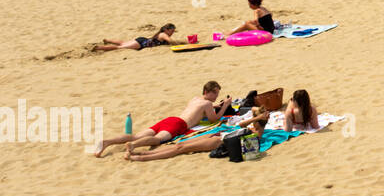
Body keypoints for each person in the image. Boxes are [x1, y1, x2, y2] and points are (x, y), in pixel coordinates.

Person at [95, 81, 232, 156]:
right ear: (206, 92)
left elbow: (200, 108)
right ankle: (133, 146)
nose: (215, 96)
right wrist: (225, 106)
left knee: (135, 135)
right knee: (157, 140)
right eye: (214, 93)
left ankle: (107, 142)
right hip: (179, 124)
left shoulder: (196, 99)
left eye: (217, 93)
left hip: (170, 119)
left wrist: (216, 104)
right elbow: (214, 119)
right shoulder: (208, 104)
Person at [126, 107, 269, 161]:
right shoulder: (252, 125)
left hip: (219, 141)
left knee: (180, 149)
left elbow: (253, 137)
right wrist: (255, 118)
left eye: (255, 118)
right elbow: (241, 125)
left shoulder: (258, 133)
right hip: (220, 133)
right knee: (180, 144)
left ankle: (140, 158)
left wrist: (258, 119)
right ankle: (143, 154)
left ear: (259, 122)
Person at [94, 22, 177, 52]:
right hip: (141, 43)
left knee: (123, 43)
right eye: (171, 31)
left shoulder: (161, 33)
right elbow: (171, 42)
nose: (172, 33)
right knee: (120, 47)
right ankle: (99, 48)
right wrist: (180, 43)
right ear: (167, 29)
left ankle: (107, 40)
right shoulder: (163, 34)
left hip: (142, 40)